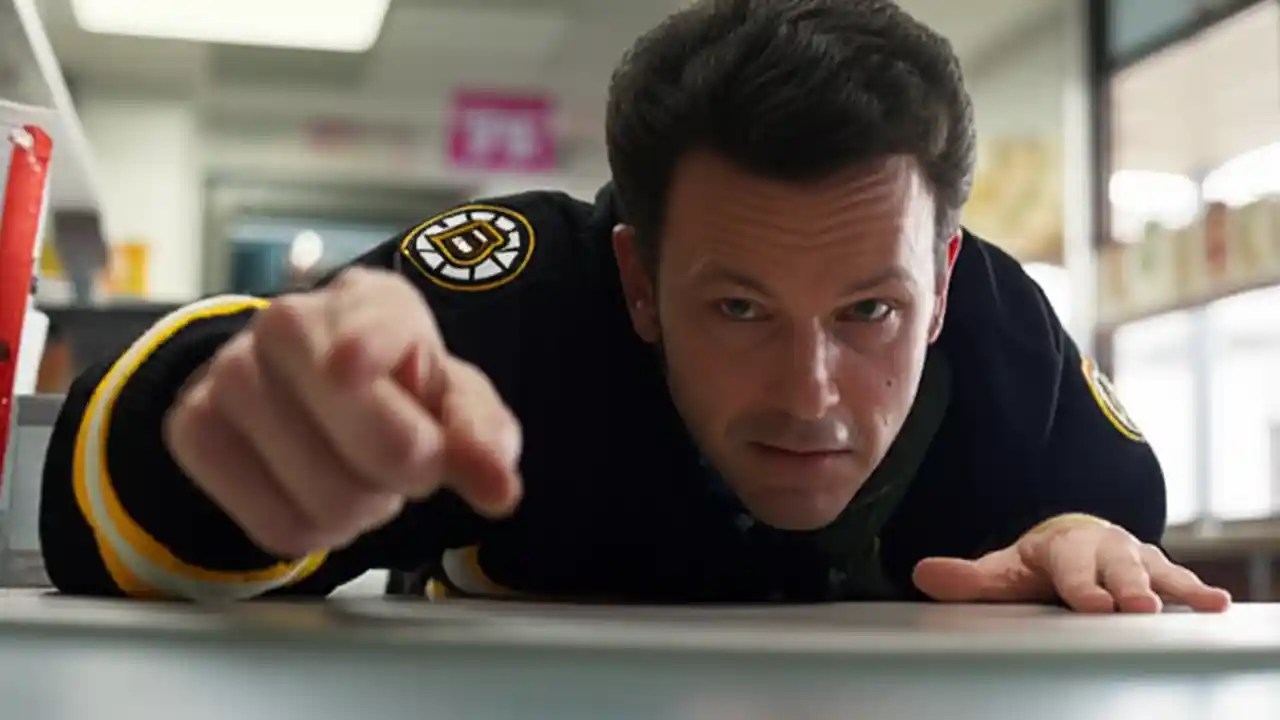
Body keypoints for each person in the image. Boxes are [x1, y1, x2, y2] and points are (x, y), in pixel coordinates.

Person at [40, 0, 1230, 613]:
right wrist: (210, 449)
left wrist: (1088, 553)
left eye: (867, 311)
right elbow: (179, 464)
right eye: (739, 309)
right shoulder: (512, 319)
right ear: (635, 282)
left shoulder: (1004, 343)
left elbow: (1111, 527)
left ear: (937, 289)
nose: (810, 396)